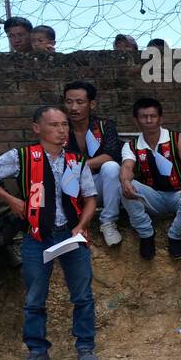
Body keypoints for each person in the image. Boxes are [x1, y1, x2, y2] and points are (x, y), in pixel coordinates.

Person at [0, 106, 98, 360]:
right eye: (54, 125)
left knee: (83, 295)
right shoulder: (22, 157)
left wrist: (82, 226)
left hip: (70, 235)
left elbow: (91, 198)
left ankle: (85, 347)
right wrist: (12, 199)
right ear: (37, 128)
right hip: (36, 236)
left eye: (64, 125)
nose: (62, 130)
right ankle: (37, 351)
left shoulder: (75, 160)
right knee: (35, 297)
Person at [119, 97, 181, 260]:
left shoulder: (176, 138)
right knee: (125, 187)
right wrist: (125, 181)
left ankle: (175, 235)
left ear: (161, 118)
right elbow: (127, 167)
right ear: (136, 120)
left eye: (153, 116)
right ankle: (146, 234)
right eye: (143, 116)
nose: (149, 120)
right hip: (153, 198)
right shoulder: (131, 146)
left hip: (178, 195)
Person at [62, 80, 124, 247]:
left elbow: (111, 156)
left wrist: (79, 166)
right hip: (71, 188)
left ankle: (108, 222)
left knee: (111, 168)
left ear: (92, 104)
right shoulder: (60, 129)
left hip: (99, 188)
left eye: (79, 102)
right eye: (69, 102)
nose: (73, 107)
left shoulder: (104, 126)